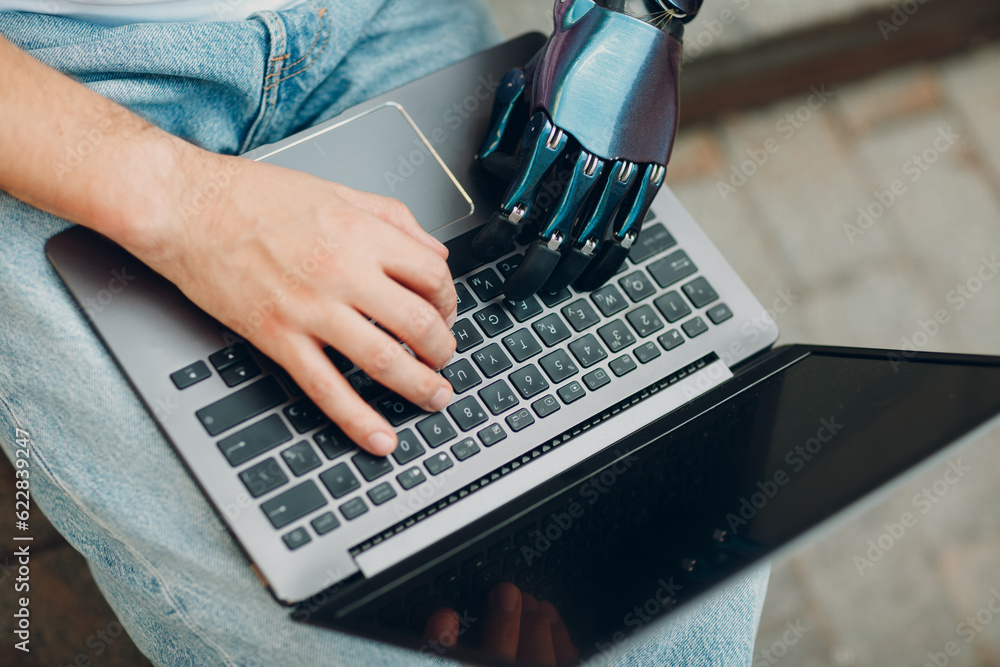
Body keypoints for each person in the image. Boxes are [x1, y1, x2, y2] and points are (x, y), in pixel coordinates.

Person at [0, 1, 768, 663]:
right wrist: (188, 204)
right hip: (50, 87)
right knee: (372, 640)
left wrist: (645, 11)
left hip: (379, 19)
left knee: (679, 605)